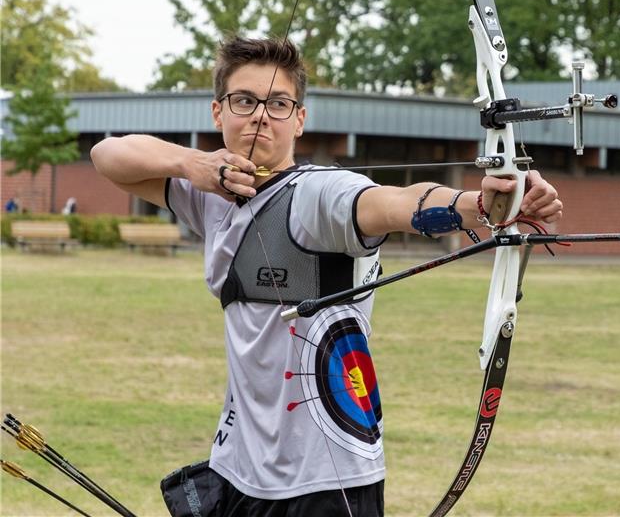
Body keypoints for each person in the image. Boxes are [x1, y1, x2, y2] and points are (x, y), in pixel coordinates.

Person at [90, 37, 562, 517]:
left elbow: (394, 203)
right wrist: (193, 164)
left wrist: (480, 204)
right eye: (244, 101)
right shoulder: (208, 195)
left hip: (324, 481)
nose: (260, 116)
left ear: (299, 119)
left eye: (278, 103)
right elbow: (108, 154)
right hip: (237, 468)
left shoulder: (319, 194)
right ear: (218, 112)